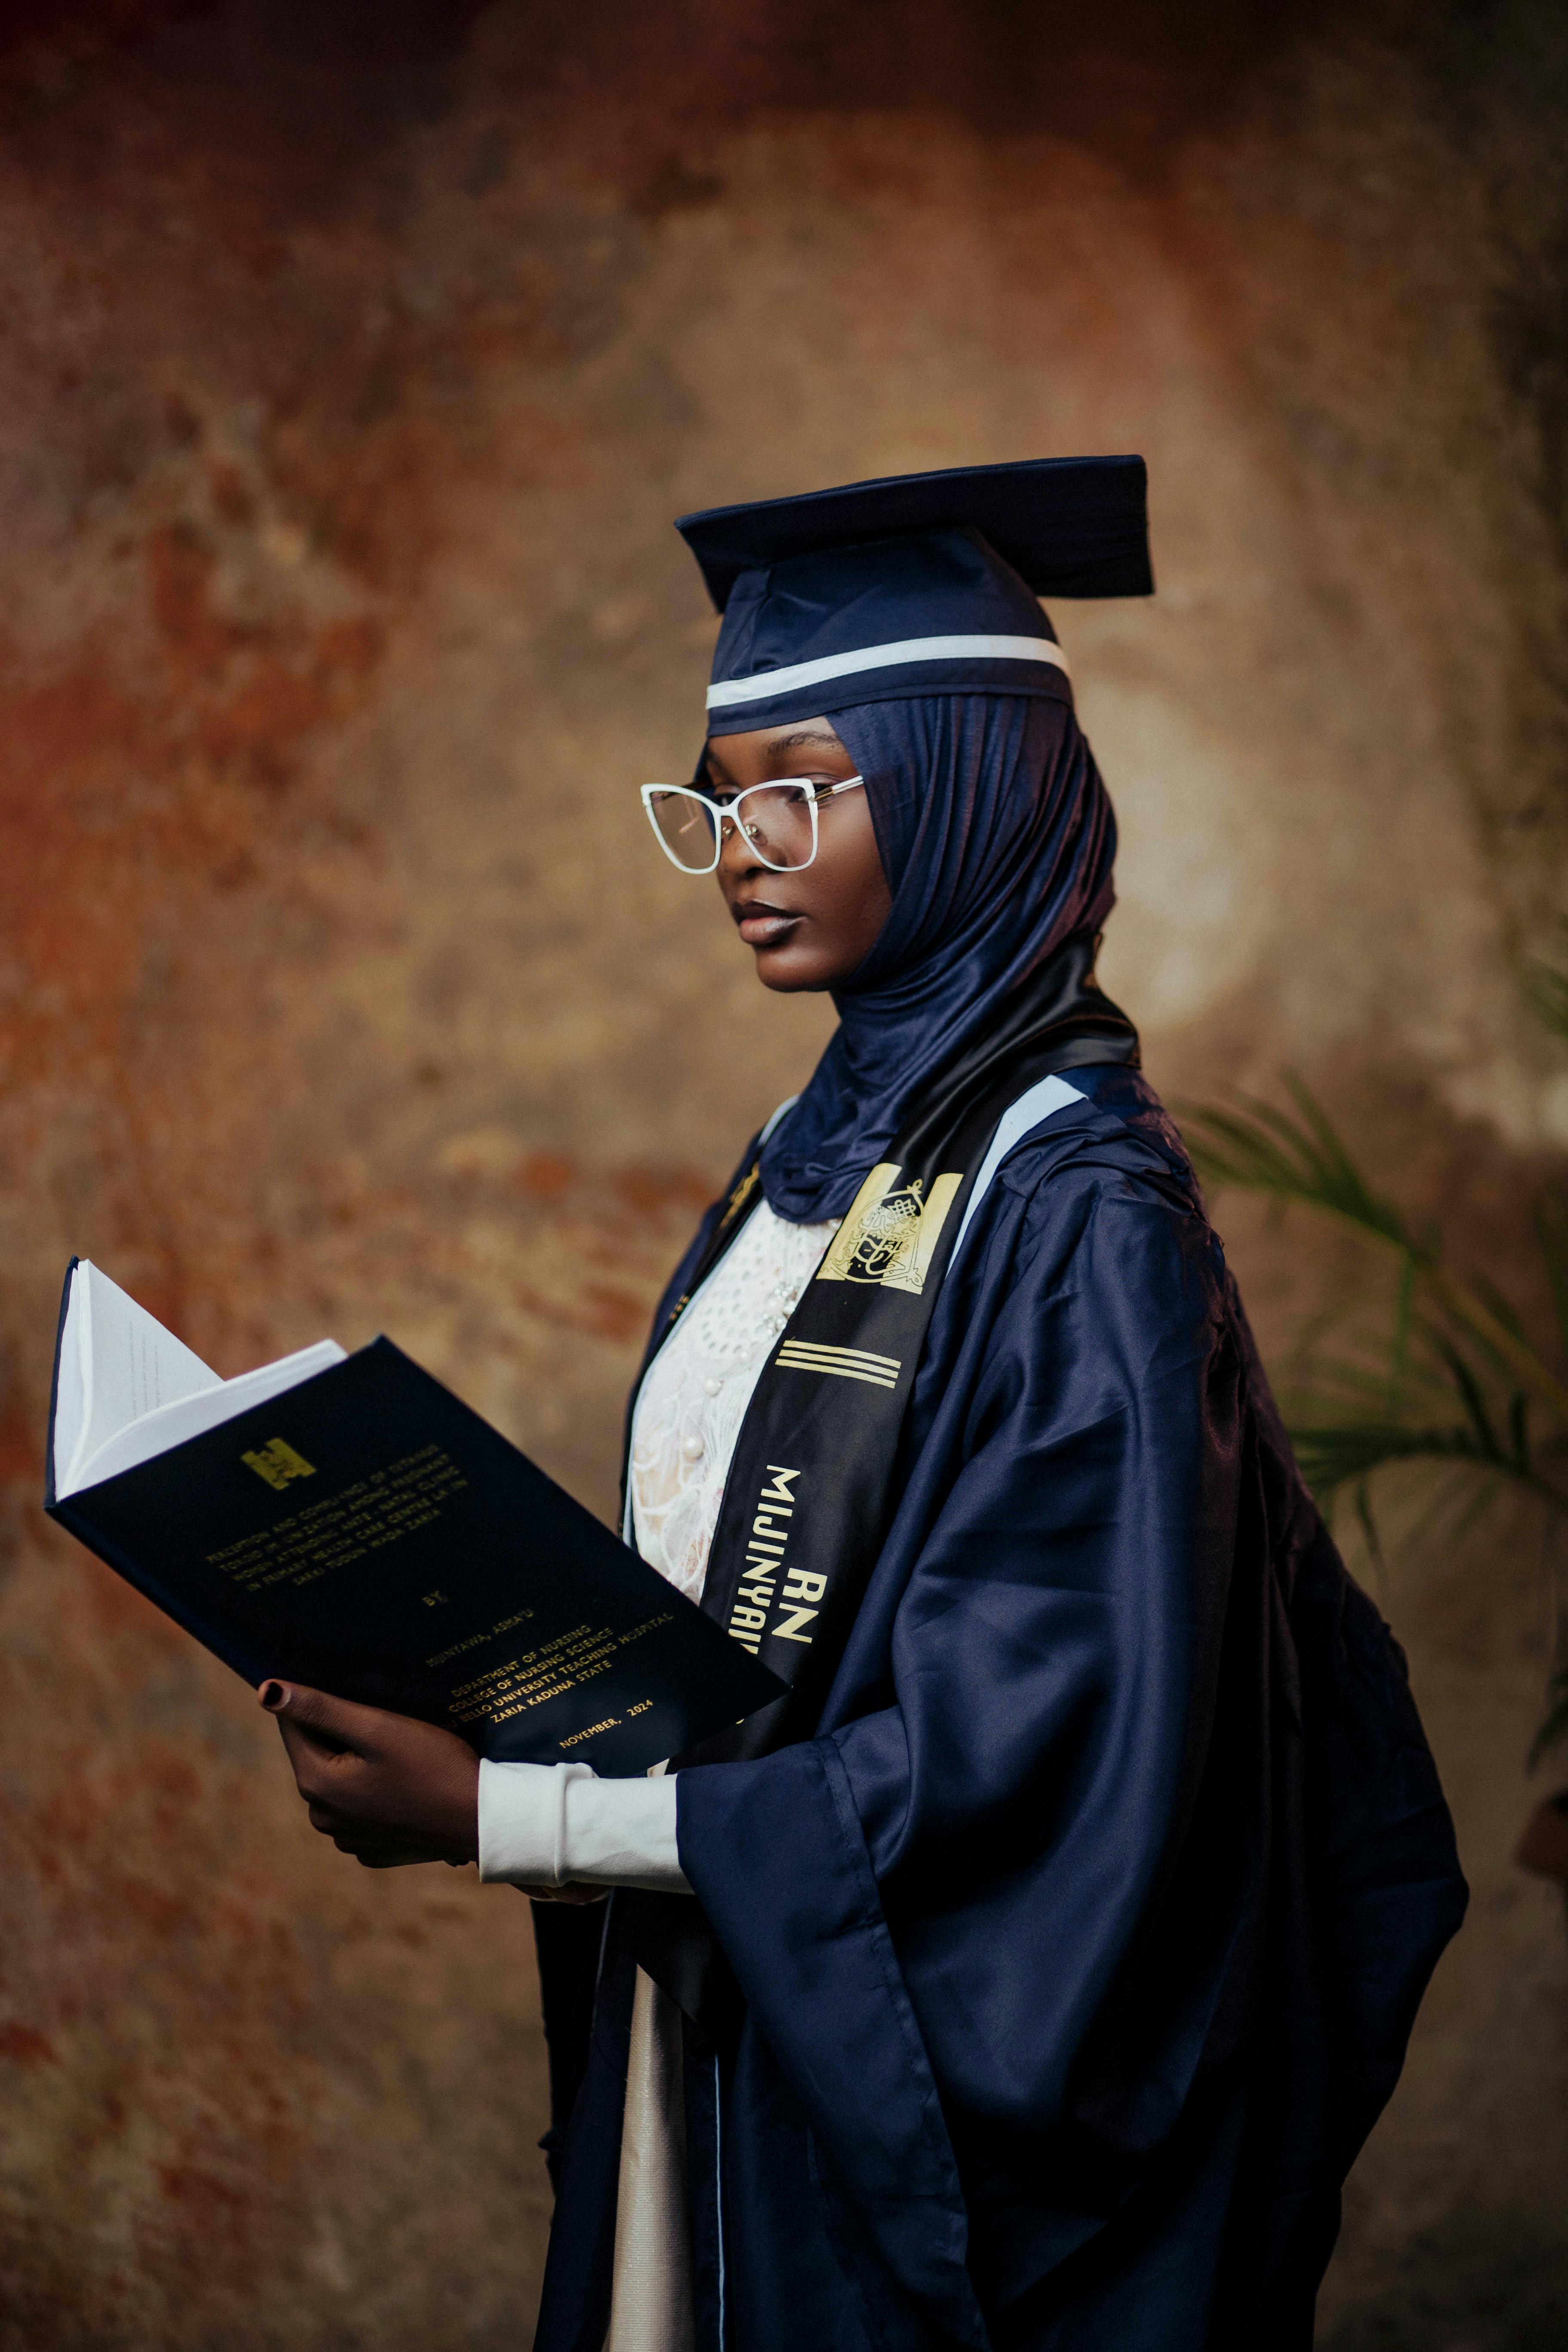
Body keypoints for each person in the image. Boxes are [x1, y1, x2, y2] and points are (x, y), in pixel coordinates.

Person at [261, 459, 1468, 2352]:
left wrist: (519, 1814)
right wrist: (472, 1661)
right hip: (731, 2028)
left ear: (969, 785)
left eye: (807, 790)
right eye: (719, 803)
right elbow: (751, 1623)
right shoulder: (812, 1150)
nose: (744, 852)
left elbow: (1030, 1768)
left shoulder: (1076, 1206)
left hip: (895, 2104)